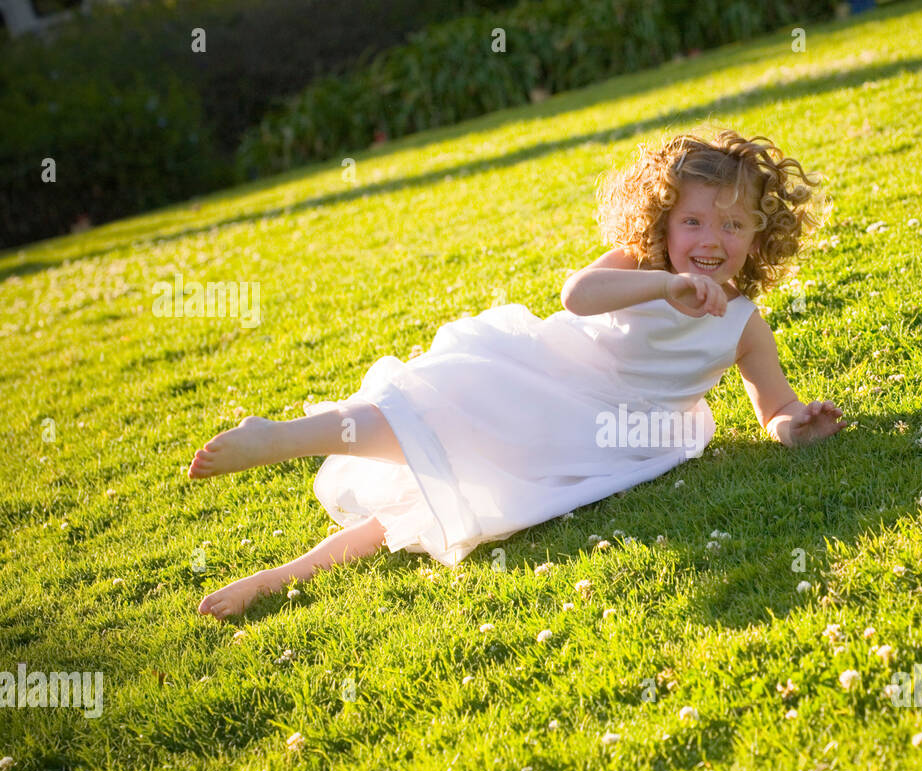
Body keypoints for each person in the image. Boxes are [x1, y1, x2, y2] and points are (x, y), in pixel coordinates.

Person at [187, 126, 846, 620]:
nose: (710, 239)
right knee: (440, 410)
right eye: (693, 221)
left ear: (761, 238)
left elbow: (772, 405)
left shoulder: (743, 324)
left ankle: (282, 575)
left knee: (447, 491)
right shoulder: (642, 268)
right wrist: (661, 291)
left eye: (732, 225)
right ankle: (286, 437)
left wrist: (795, 425)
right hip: (553, 376)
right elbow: (576, 295)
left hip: (623, 430)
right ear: (662, 225)